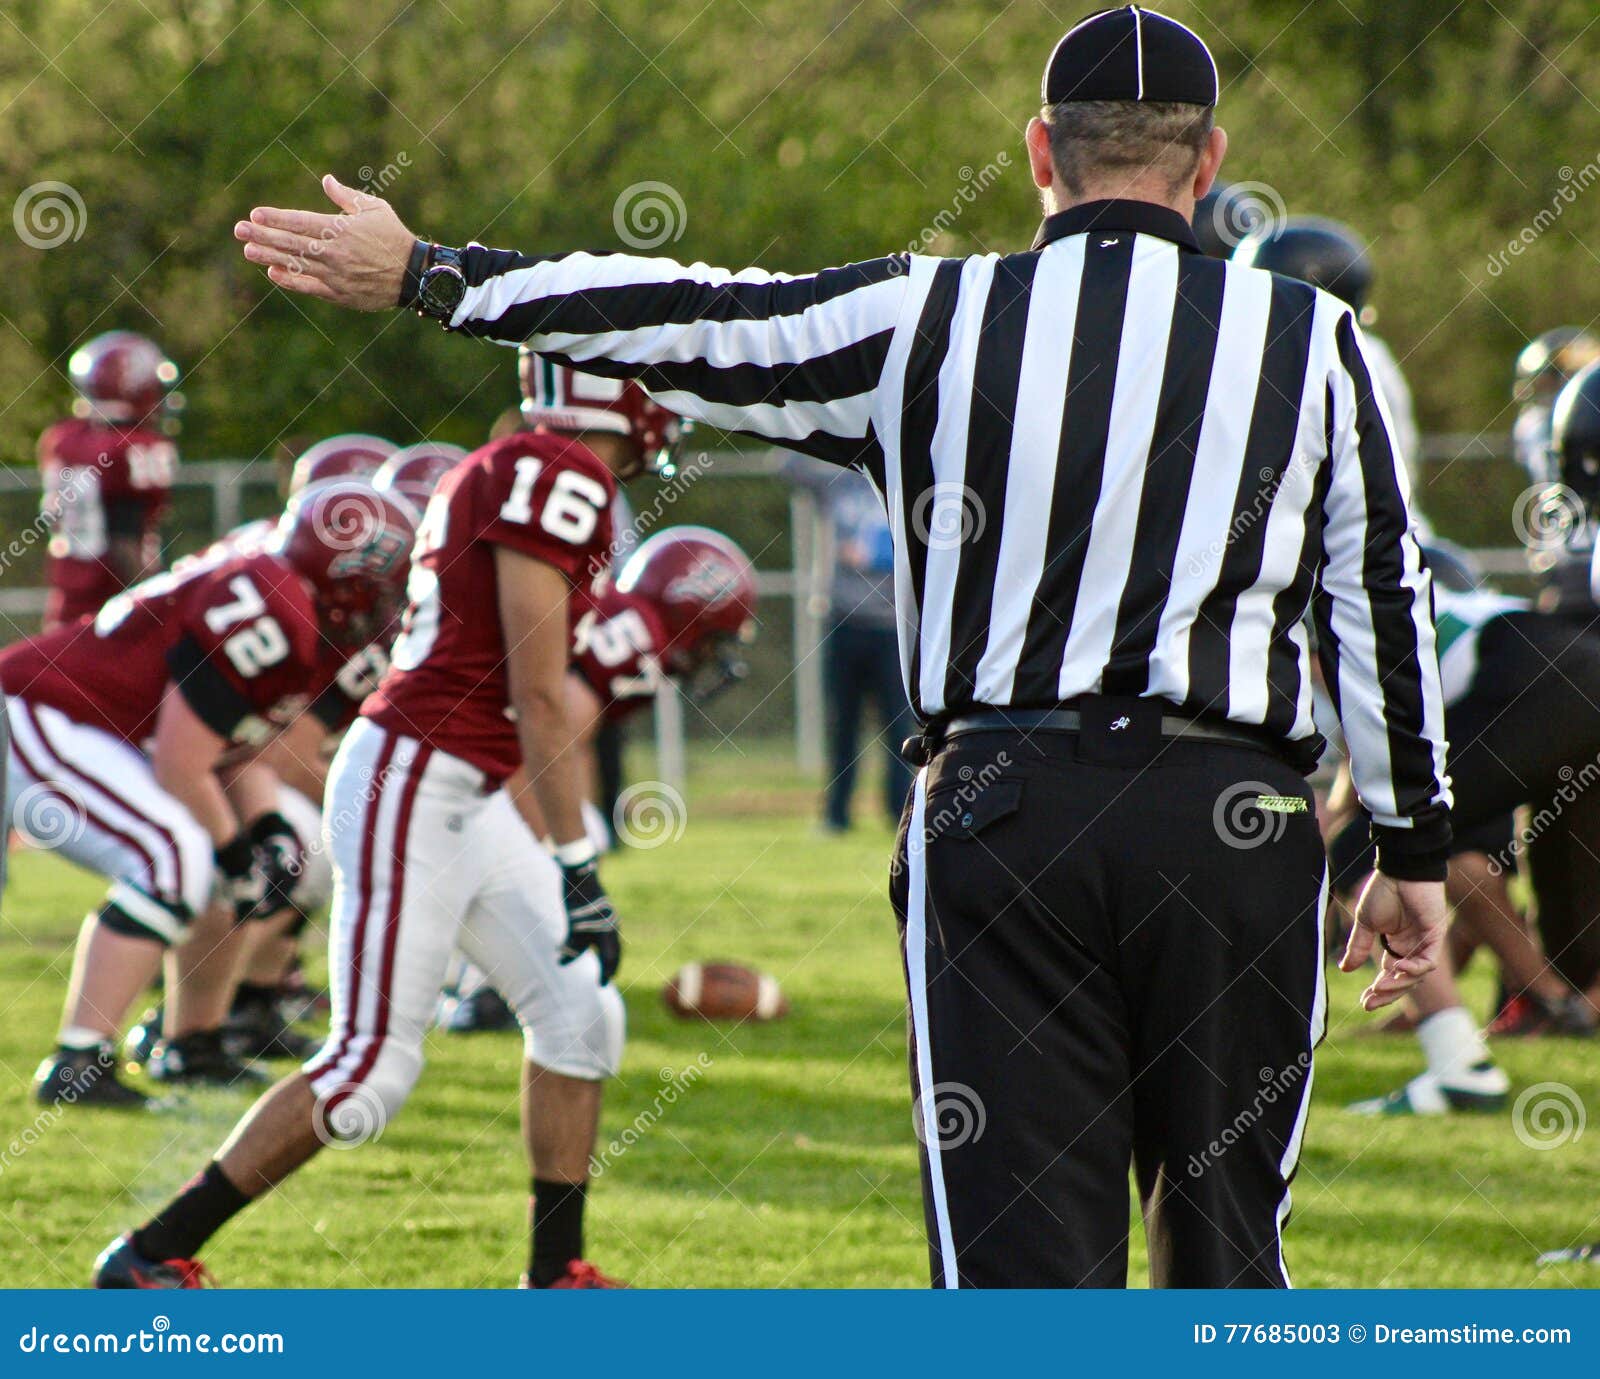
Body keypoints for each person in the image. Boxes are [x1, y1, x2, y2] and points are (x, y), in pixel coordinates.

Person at [225, 4, 1450, 1290]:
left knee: (1016, 1273)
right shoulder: (1311, 339)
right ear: (1207, 165)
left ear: (1041, 154)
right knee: (1226, 1261)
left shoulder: (931, 315)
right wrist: (1412, 845)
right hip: (1229, 820)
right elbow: (1382, 596)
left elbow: (690, 318)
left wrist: (433, 270)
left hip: (1002, 806)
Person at [96, 367, 689, 1290]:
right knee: (371, 1067)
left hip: (462, 782)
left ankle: (554, 1273)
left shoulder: (523, 466)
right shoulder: (557, 472)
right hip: (416, 772)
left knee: (581, 1012)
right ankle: (150, 1252)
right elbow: (537, 693)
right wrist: (578, 864)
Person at [2, 481, 414, 1106]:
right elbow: (181, 760)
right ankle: (76, 1065)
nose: (385, 609)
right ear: (347, 574)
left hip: (106, 732)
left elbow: (225, 747)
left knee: (239, 863)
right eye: (382, 587)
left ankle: (191, 1042)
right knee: (172, 855)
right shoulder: (276, 609)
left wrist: (265, 831)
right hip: (44, 709)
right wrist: (234, 849)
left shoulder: (288, 605)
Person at [788, 454, 912, 832]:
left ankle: (899, 813)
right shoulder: (839, 481)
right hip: (844, 621)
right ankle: (836, 815)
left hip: (892, 627)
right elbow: (788, 464)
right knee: (842, 724)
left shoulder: (904, 485)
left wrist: (875, 554)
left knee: (897, 728)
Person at [39, 331, 181, 631]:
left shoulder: (63, 439)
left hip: (68, 600)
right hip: (115, 607)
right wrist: (159, 608)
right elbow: (122, 541)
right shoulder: (134, 447)